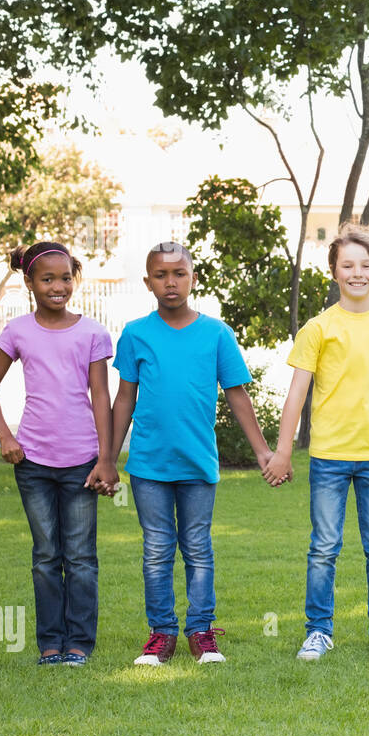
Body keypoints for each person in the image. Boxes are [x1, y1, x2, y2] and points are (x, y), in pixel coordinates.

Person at [264, 221, 369, 660]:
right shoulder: (318, 329)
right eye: (347, 265)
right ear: (335, 272)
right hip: (329, 458)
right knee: (324, 548)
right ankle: (318, 630)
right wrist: (283, 452)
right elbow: (297, 392)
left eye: (365, 265)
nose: (357, 273)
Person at [111, 241, 279, 666]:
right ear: (148, 282)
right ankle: (161, 634)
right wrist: (106, 459)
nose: (171, 282)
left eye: (179, 273)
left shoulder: (217, 334)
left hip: (199, 465)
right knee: (156, 549)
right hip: (149, 465)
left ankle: (201, 632)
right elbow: (124, 400)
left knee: (198, 548)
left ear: (193, 278)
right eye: (161, 275)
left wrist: (262, 451)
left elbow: (237, 395)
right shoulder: (136, 334)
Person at [0, 242, 117, 666]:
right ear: (30, 283)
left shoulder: (92, 333)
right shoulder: (18, 332)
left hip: (81, 462)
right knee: (45, 556)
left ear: (74, 279)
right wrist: (6, 437)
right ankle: (50, 643)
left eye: (65, 278)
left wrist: (106, 458)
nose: (58, 286)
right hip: (33, 463)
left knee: (80, 556)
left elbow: (100, 395)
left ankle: (79, 643)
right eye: (48, 279)